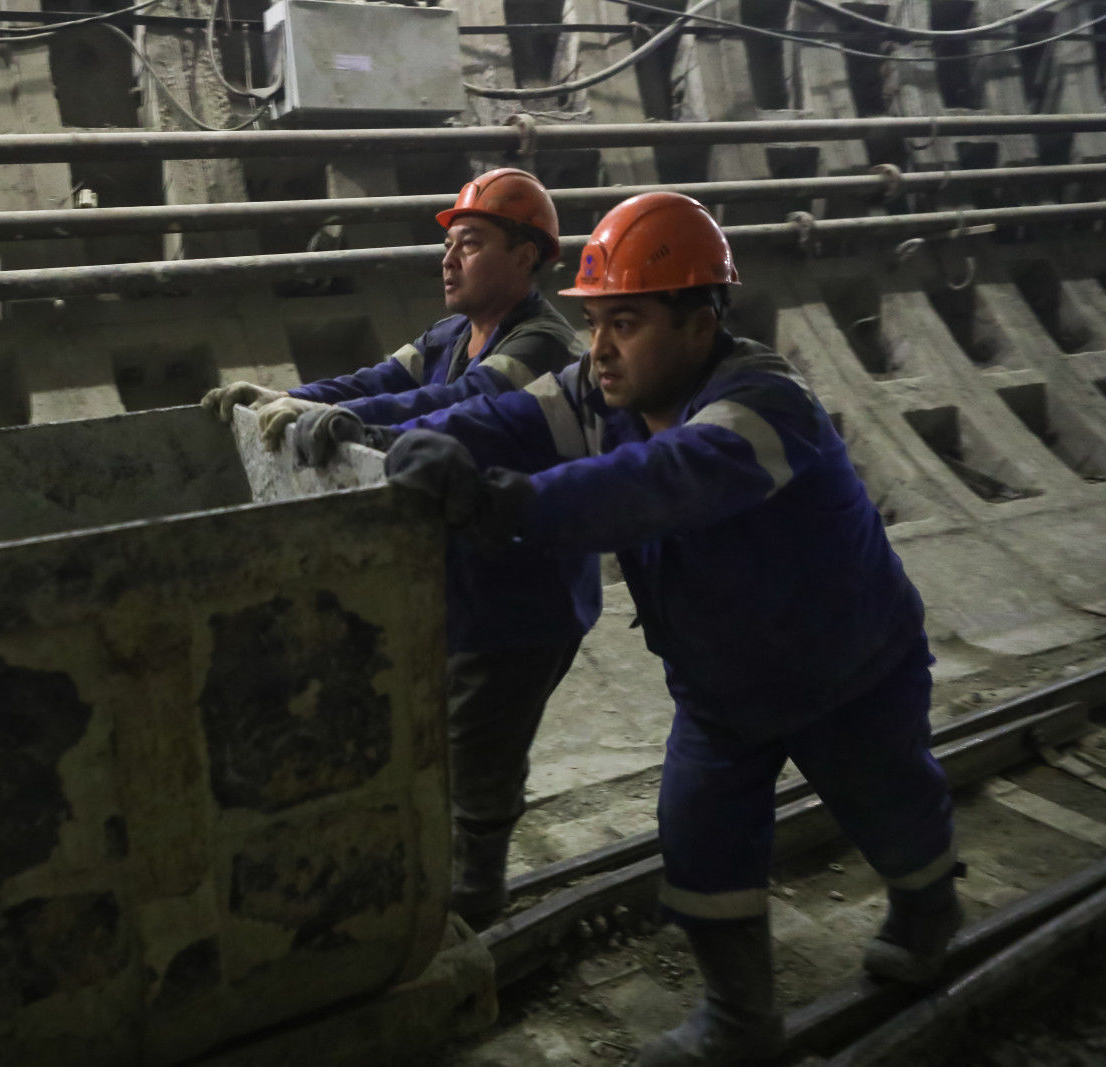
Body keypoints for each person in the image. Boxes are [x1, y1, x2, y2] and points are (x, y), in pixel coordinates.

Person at [323, 192, 961, 1066]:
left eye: (626, 322)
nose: (601, 347)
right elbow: (504, 417)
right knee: (698, 839)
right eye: (595, 322)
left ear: (700, 325)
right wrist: (392, 438)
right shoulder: (602, 387)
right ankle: (740, 1019)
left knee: (891, 810)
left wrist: (502, 501)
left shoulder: (766, 402)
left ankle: (927, 906)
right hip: (720, 688)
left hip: (845, 673)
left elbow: (655, 483)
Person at [201, 169, 602, 930]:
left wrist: (356, 425)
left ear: (526, 257)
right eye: (448, 244)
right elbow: (381, 377)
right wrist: (292, 398)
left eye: (471, 243)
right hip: (466, 583)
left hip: (526, 596)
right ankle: (442, 882)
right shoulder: (453, 332)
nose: (449, 259)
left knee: (478, 754)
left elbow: (458, 405)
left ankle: (473, 905)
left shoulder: (544, 341)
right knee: (448, 742)